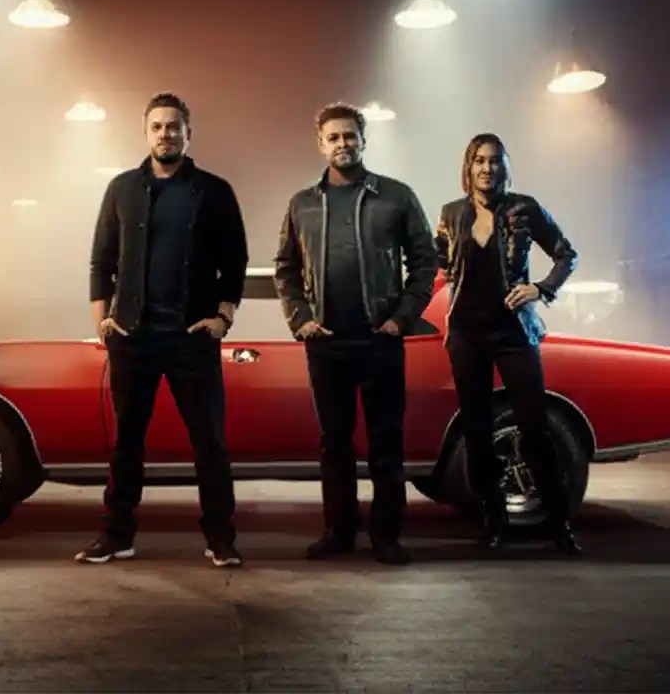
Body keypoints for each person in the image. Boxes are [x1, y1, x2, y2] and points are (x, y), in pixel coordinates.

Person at [79, 92, 249, 568]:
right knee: (126, 442)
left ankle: (220, 537)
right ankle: (117, 536)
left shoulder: (213, 190)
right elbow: (101, 261)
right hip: (133, 335)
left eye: (174, 126)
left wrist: (223, 317)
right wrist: (103, 325)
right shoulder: (122, 189)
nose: (166, 134)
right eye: (157, 126)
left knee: (210, 442)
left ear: (187, 133)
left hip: (192, 336)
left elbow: (235, 259)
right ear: (146, 132)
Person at [274, 102, 437, 565]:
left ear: (363, 140)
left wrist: (401, 318)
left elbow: (425, 262)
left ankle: (387, 537)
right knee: (334, 444)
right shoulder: (302, 203)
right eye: (334, 137)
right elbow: (285, 267)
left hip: (381, 339)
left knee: (387, 443)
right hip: (325, 341)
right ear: (320, 143)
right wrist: (300, 319)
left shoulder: (396, 196)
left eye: (350, 136)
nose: (342, 144)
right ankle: (338, 533)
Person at [435, 133, 580, 554]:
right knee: (477, 433)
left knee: (534, 430)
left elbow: (566, 254)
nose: (487, 168)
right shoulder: (451, 214)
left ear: (504, 167)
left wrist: (540, 288)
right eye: (479, 161)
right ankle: (494, 521)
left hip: (514, 333)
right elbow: (435, 264)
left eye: (495, 161)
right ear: (468, 167)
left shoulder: (523, 208)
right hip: (465, 334)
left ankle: (559, 525)